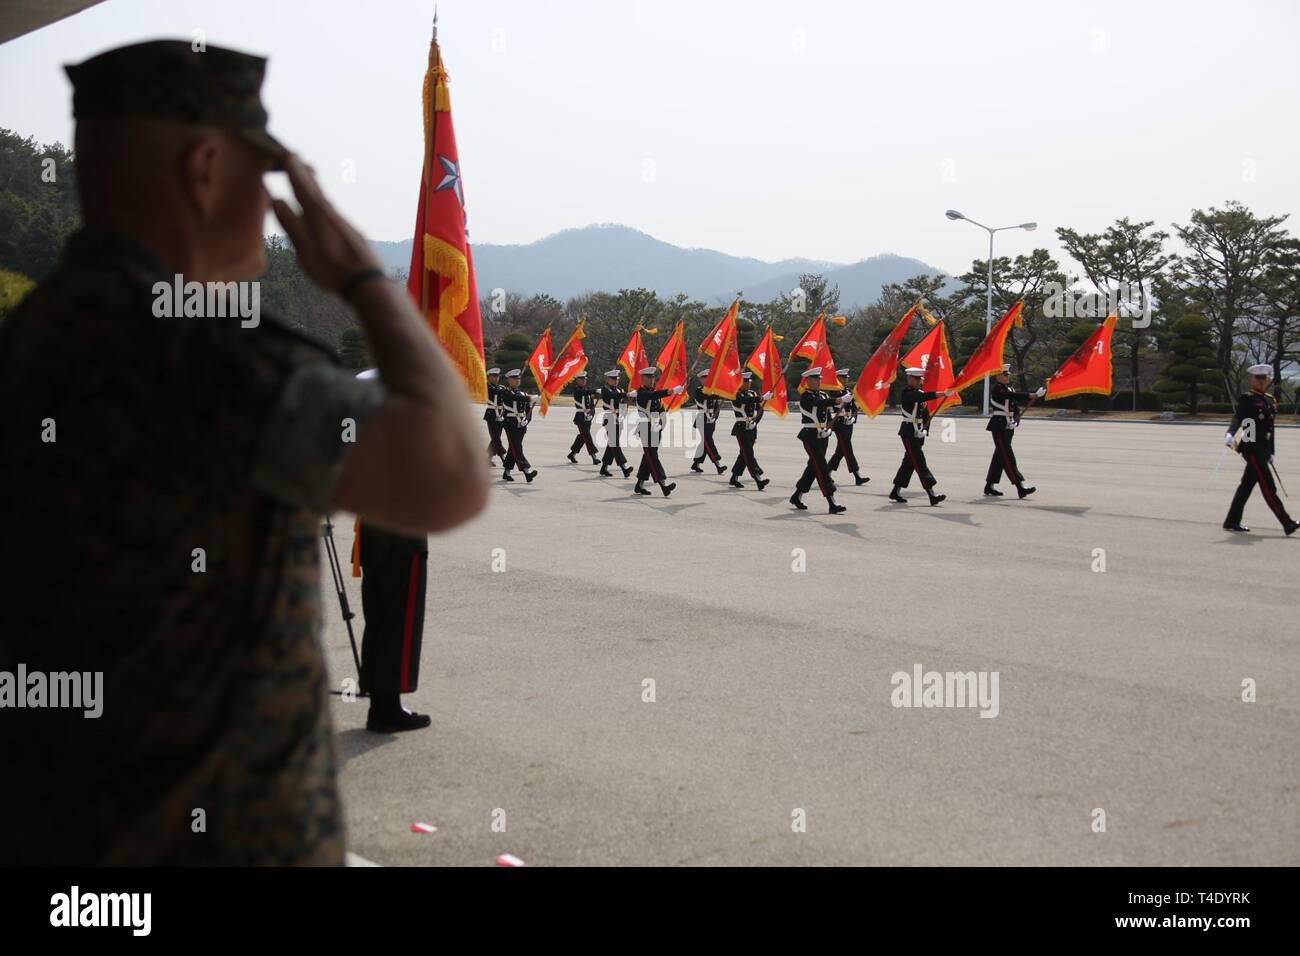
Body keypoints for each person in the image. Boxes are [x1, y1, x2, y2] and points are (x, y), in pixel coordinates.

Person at [0, 40, 487, 865]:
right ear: (203, 168)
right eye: (261, 181)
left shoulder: (28, 341)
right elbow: (449, 475)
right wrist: (368, 282)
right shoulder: (222, 366)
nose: (268, 210)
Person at [1222, 364, 1299, 535]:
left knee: (1246, 486)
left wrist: (1271, 452)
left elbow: (1270, 429)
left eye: (1264, 378)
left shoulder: (1270, 399)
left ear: (1268, 380)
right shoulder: (1247, 398)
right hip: (1252, 448)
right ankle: (1287, 523)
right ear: (1251, 380)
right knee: (1268, 486)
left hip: (1263, 449)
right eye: (1258, 378)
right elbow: (1239, 419)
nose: (1261, 381)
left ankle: (1231, 521)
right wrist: (1230, 434)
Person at [890, 367, 954, 506]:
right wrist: (943, 393)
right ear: (910, 379)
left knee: (909, 463)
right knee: (919, 462)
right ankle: (932, 494)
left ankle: (896, 490)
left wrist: (925, 430)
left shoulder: (920, 393)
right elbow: (920, 397)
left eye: (920, 379)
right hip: (908, 432)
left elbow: (926, 416)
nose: (919, 381)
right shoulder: (907, 393)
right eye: (916, 378)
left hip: (918, 432)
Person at [791, 367, 851, 513]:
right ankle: (832, 502)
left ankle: (797, 496)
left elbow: (828, 414)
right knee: (821, 467)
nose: (819, 381)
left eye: (819, 379)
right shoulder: (806, 396)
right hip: (810, 435)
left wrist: (829, 429)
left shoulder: (823, 395)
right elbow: (819, 404)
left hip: (822, 435)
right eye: (816, 379)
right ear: (808, 381)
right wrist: (839, 399)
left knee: (813, 467)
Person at [984, 364, 1044, 499]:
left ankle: (989, 485)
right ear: (998, 376)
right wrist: (1032, 395)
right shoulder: (998, 389)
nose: (1007, 376)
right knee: (1007, 456)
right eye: (1005, 375)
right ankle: (1019, 486)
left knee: (1000, 456)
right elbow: (1011, 396)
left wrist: (1015, 421)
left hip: (1008, 426)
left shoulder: (1009, 388)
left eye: (1008, 374)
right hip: (999, 426)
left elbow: (1015, 408)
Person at [627, 366, 683, 497]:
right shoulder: (641, 392)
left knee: (649, 457)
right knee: (652, 456)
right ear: (643, 379)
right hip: (645, 428)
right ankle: (664, 485)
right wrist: (671, 391)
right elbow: (651, 396)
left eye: (653, 377)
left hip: (655, 428)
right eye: (649, 377)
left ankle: (639, 485)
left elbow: (661, 409)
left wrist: (662, 422)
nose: (652, 379)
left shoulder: (654, 392)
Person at [826, 366, 869, 486]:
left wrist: (853, 418)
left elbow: (854, 407)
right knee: (847, 449)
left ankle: (827, 472)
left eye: (846, 378)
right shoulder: (833, 391)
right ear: (837, 378)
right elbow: (833, 407)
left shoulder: (849, 391)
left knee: (841, 450)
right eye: (843, 377)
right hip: (839, 423)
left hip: (848, 423)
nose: (846, 379)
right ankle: (857, 475)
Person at [728, 371, 770, 490]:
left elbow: (760, 409)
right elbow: (744, 401)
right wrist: (761, 398)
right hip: (741, 427)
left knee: (744, 454)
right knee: (749, 454)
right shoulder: (735, 394)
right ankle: (758, 479)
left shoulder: (752, 394)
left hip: (752, 427)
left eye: (749, 382)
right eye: (746, 382)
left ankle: (734, 477)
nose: (749, 384)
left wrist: (755, 421)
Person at [499, 369, 539, 482]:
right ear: (509, 380)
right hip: (510, 424)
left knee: (513, 449)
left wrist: (527, 421)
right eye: (514, 379)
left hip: (521, 425)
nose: (517, 381)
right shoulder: (506, 393)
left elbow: (528, 410)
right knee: (517, 448)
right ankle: (527, 472)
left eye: (518, 379)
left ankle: (506, 472)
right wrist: (530, 398)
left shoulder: (522, 393)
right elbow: (515, 398)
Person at [598, 368, 634, 478]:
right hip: (609, 418)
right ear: (607, 379)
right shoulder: (605, 390)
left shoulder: (619, 390)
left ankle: (604, 468)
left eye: (616, 379)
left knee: (612, 444)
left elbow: (622, 403)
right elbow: (612, 396)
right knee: (615, 444)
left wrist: (629, 400)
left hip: (619, 419)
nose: (615, 381)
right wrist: (626, 394)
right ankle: (624, 467)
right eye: (613, 379)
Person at [690, 370, 726, 474]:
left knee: (705, 443)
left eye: (708, 377)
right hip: (702, 419)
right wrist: (720, 394)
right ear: (701, 379)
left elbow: (716, 408)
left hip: (711, 420)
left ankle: (696, 463)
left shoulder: (713, 391)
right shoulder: (699, 390)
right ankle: (718, 464)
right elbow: (705, 396)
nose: (706, 379)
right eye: (704, 378)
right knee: (709, 442)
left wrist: (715, 417)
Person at [565, 370, 600, 464]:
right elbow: (584, 393)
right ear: (577, 380)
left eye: (585, 379)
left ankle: (572, 454)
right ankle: (594, 457)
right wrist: (595, 390)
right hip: (580, 416)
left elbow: (591, 404)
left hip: (588, 417)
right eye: (582, 379)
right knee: (587, 436)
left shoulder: (586, 389)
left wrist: (592, 414)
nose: (584, 381)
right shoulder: (577, 390)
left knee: (583, 436)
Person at [484, 367, 507, 466]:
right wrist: (507, 390)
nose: (496, 378)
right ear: (488, 377)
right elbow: (494, 392)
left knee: (495, 438)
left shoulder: (500, 387)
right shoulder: (487, 387)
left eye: (497, 376)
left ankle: (487, 458)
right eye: (494, 376)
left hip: (500, 414)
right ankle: (504, 459)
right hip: (492, 414)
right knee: (496, 438)